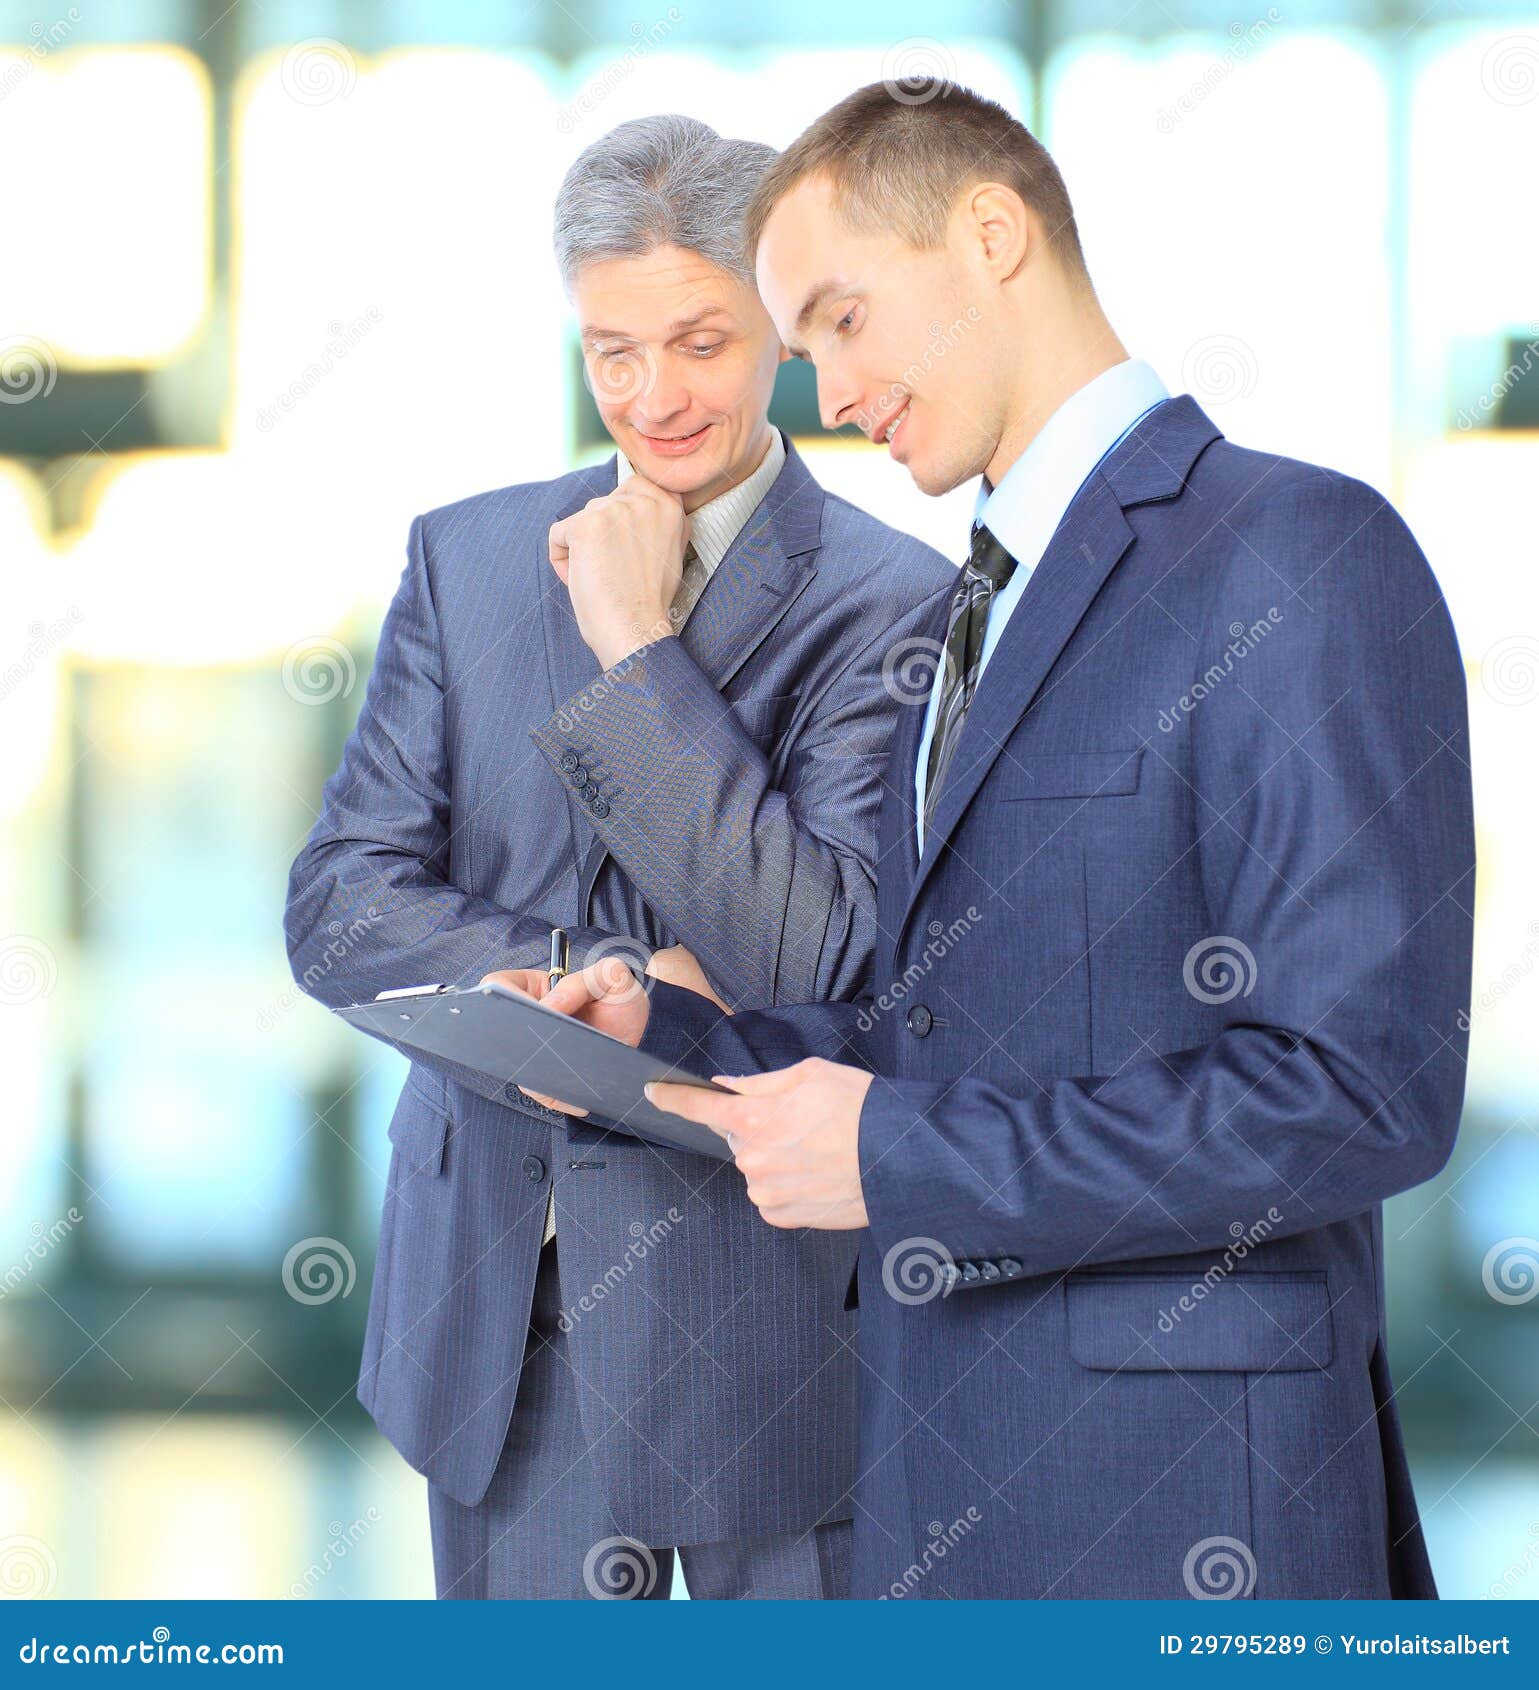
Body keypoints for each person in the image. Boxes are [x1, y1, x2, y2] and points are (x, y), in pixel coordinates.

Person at [518, 80, 1475, 1601]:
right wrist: (679, 1034)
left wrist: (892, 1152)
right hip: (940, 1492)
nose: (825, 392)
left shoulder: (1298, 551)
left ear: (988, 233)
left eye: (840, 318)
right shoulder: (972, 609)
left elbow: (1361, 1089)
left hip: (1177, 1514)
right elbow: (952, 1028)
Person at [284, 112, 953, 1600]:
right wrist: (588, 976)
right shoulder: (465, 560)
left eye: (701, 342)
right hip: (489, 1335)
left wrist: (636, 647)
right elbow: (340, 903)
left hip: (755, 1341)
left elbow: (815, 957)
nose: (654, 396)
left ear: (779, 327)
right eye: (613, 352)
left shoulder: (893, 602)